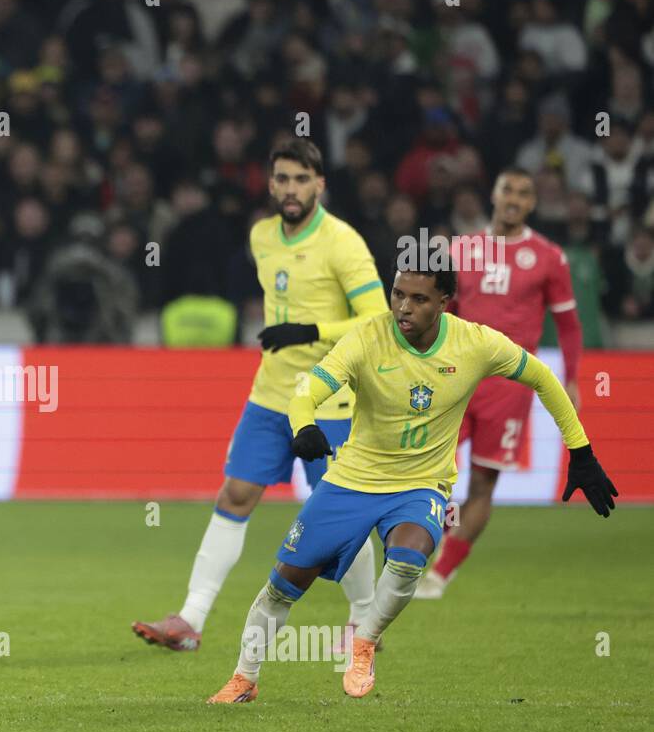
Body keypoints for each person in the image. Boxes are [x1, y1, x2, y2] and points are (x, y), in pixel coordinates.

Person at [208, 267, 616, 703]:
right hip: (351, 481)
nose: (404, 307)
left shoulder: (475, 343)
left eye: (419, 299)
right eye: (398, 294)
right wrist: (304, 424)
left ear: (445, 302)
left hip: (421, 485)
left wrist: (582, 450)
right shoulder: (368, 338)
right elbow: (308, 390)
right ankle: (244, 679)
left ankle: (364, 644)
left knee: (409, 554)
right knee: (284, 583)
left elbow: (541, 377)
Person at [133, 139, 389, 653]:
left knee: (337, 509)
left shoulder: (344, 243)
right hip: (271, 396)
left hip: (331, 399)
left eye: (301, 180)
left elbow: (379, 319)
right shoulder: (261, 237)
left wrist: (309, 330)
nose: (290, 189)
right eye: (282, 179)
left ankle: (364, 622)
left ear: (320, 184)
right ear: (270, 184)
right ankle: (190, 619)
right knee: (235, 495)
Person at [416, 168, 582, 599]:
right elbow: (435, 310)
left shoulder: (549, 257)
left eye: (524, 193)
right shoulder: (460, 249)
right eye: (507, 188)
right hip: (455, 378)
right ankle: (417, 553)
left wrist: (574, 379)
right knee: (429, 471)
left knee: (483, 482)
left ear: (532, 203)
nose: (514, 198)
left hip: (508, 386)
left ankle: (441, 573)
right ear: (494, 193)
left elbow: (567, 324)